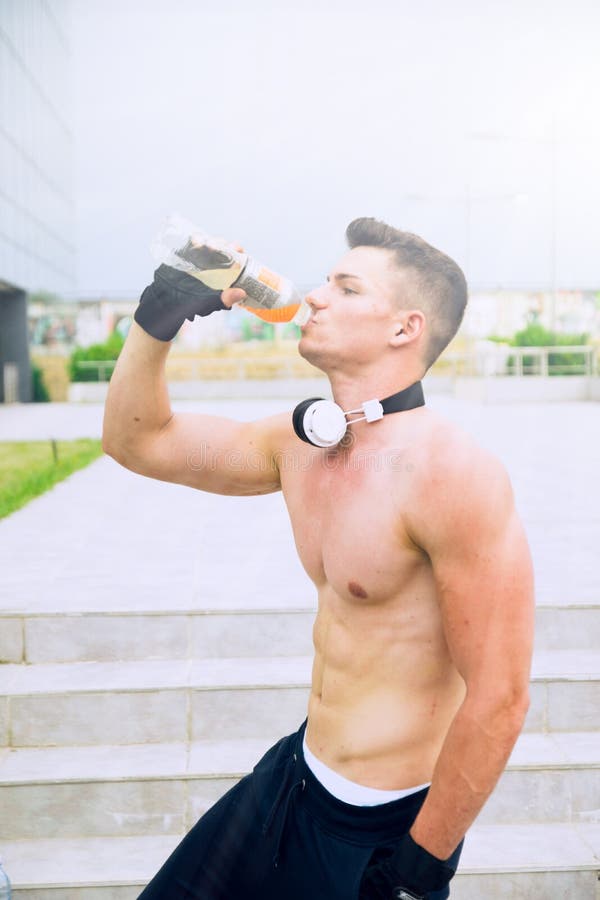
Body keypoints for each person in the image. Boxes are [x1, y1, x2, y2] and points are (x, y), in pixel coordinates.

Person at [102, 217, 535, 900]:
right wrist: (156, 322)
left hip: (377, 828)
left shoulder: (454, 475)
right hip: (291, 778)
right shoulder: (303, 443)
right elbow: (138, 442)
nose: (315, 297)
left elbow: (501, 697)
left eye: (346, 287)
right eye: (326, 280)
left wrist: (418, 871)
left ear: (404, 329)